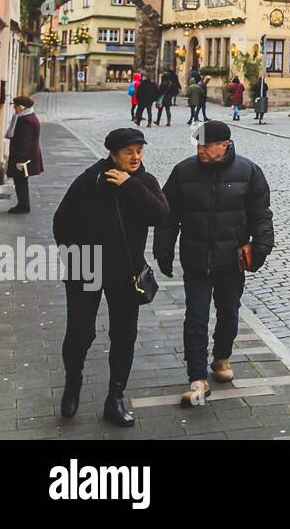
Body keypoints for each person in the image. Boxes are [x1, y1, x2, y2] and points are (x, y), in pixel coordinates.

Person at [52, 127, 169, 426]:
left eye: (139, 150)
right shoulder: (89, 181)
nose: (135, 156)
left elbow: (161, 215)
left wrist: (131, 185)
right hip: (86, 268)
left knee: (124, 335)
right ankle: (73, 382)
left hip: (126, 272)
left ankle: (115, 399)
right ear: (113, 154)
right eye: (128, 151)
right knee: (80, 332)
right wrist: (76, 258)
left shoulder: (145, 181)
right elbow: (61, 222)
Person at [156, 121, 273, 407]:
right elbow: (167, 215)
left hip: (231, 260)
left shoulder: (248, 172)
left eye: (206, 145)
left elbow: (261, 215)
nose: (201, 150)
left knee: (228, 313)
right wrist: (164, 249)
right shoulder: (184, 172)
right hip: (196, 258)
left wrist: (260, 249)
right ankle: (197, 377)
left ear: (225, 145)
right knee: (196, 316)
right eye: (198, 145)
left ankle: (221, 357)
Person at [5, 95, 42, 215]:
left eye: (15, 106)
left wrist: (20, 160)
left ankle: (23, 206)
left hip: (24, 158)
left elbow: (24, 142)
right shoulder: (27, 117)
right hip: (25, 156)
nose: (14, 108)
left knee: (20, 181)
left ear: (22, 107)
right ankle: (22, 204)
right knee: (20, 181)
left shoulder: (26, 121)